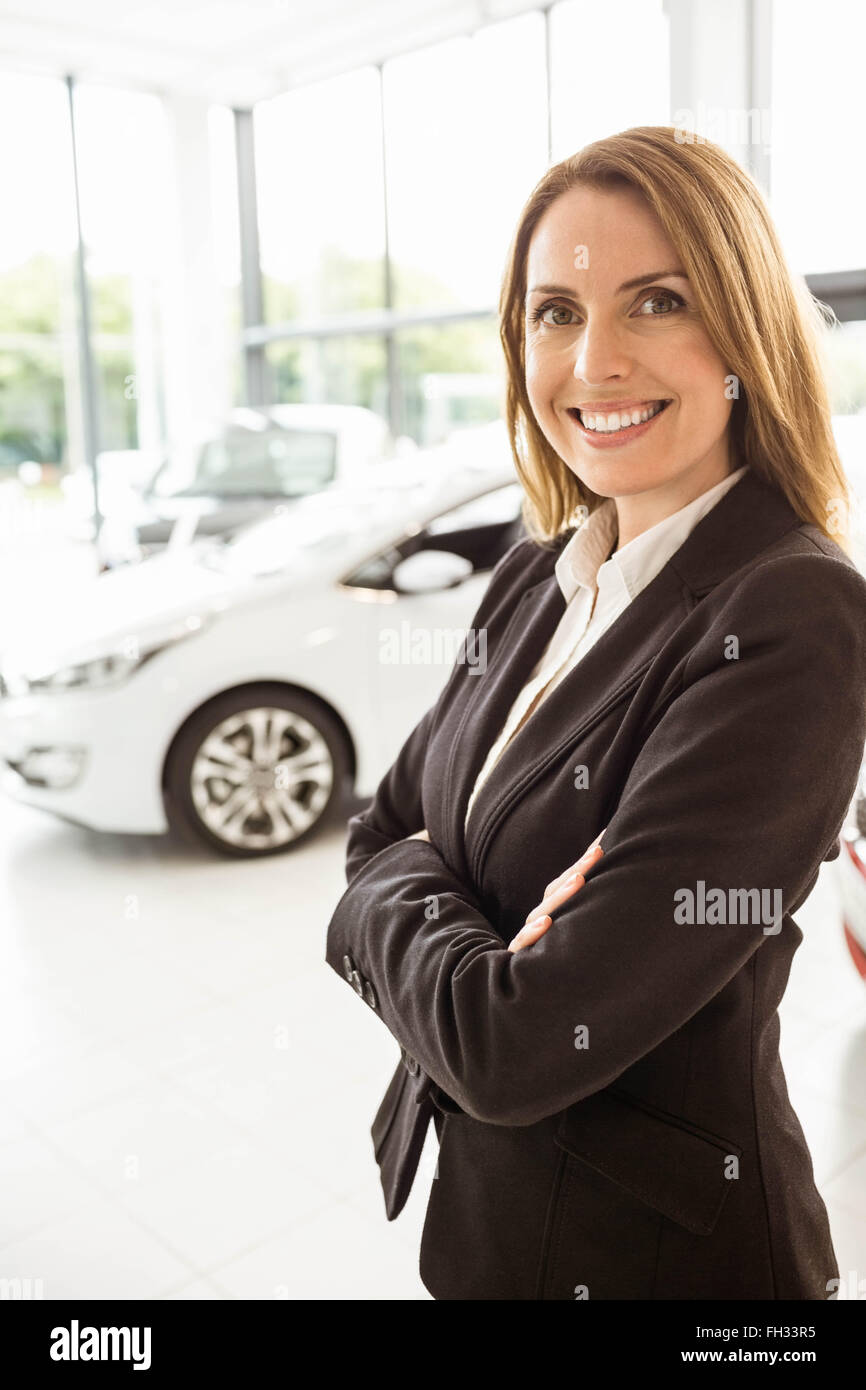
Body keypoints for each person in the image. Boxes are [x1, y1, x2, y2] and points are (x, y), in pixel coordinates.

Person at [326, 125, 866, 1300]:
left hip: (666, 1260)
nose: (594, 361)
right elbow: (377, 834)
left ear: (743, 330)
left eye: (656, 301)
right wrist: (446, 913)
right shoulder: (537, 574)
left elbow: (511, 1046)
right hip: (485, 1215)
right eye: (555, 312)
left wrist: (419, 912)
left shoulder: (792, 614)